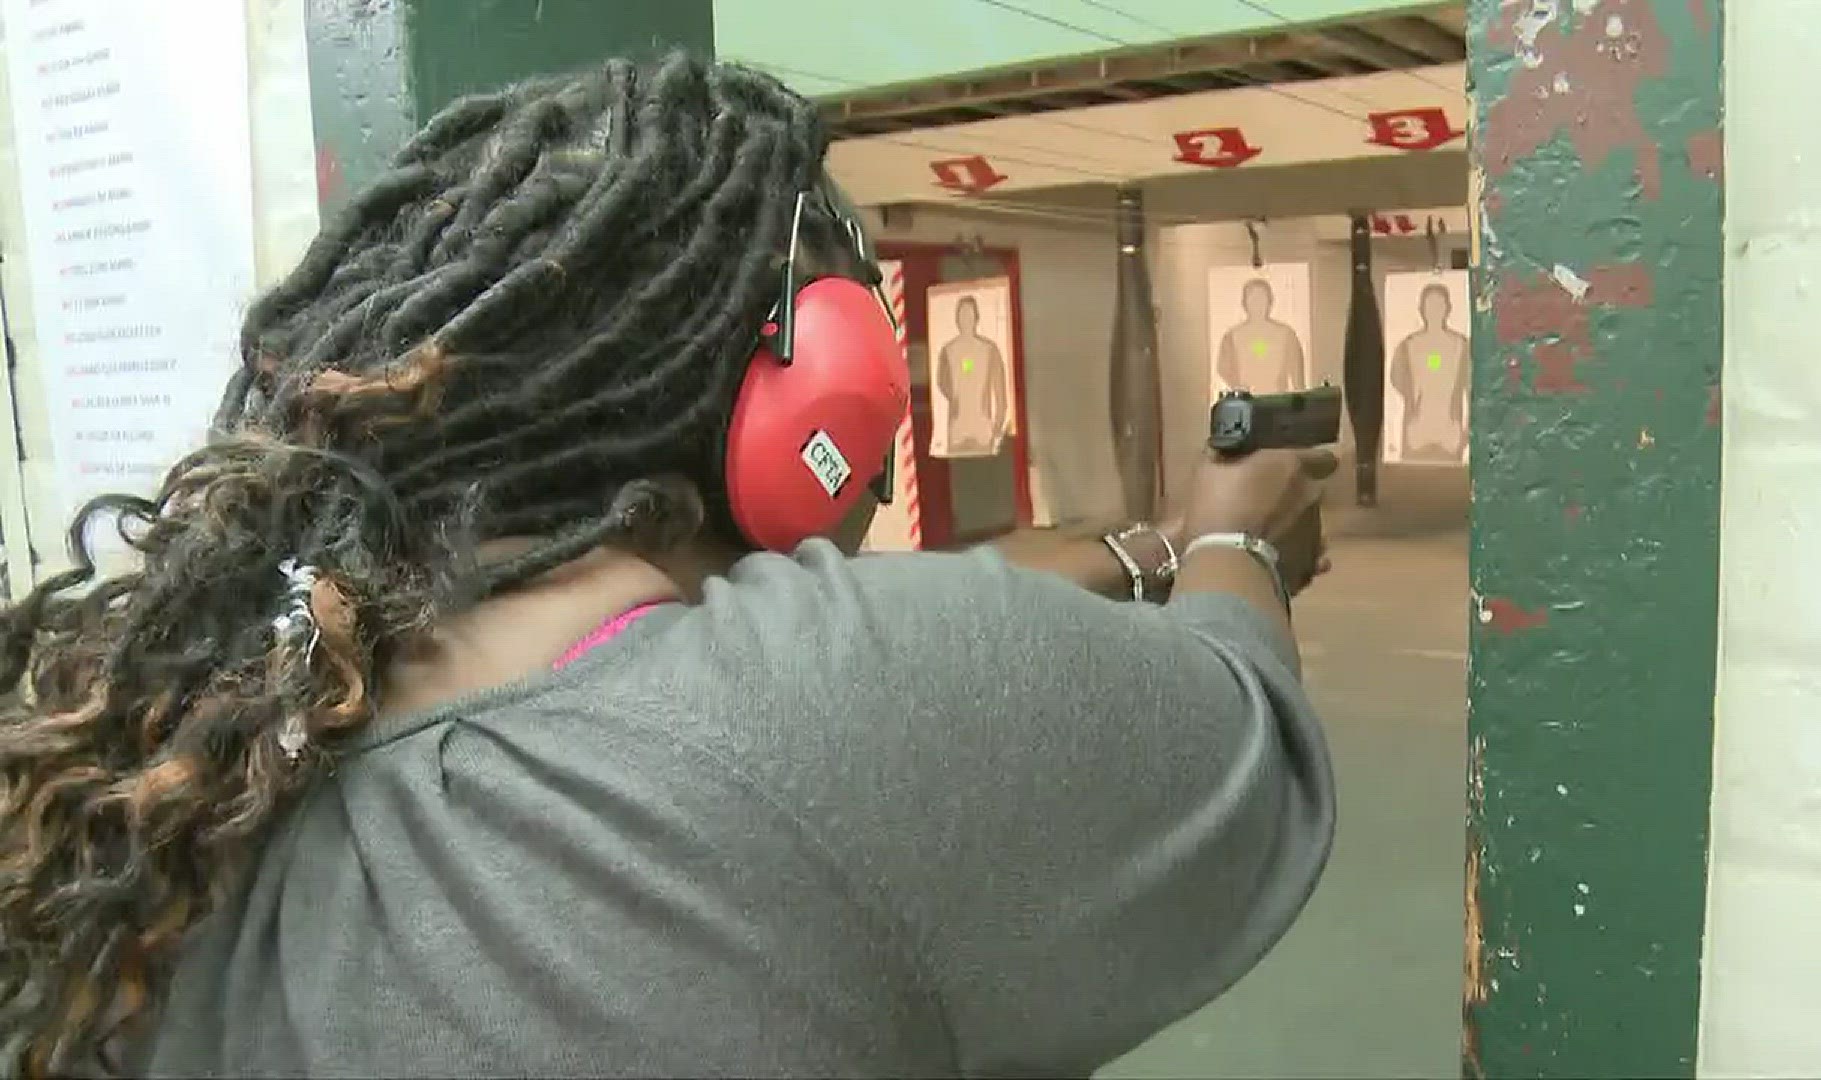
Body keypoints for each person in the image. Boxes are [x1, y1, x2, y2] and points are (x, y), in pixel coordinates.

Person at [0, 54, 1336, 1079]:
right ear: (816, 400)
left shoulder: (183, 763)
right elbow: (1243, 726)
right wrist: (1234, 540)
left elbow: (859, 641)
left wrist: (1131, 550)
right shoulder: (801, 713)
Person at [1388, 282, 1469, 463]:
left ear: (1448, 309)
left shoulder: (1461, 346)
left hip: (1450, 436)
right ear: (1421, 309)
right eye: (1429, 306)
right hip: (1416, 435)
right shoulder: (1407, 346)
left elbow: (1473, 392)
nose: (1434, 311)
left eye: (1439, 305)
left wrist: (1465, 434)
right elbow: (1397, 380)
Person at [933, 294, 1009, 456]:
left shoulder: (990, 350)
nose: (965, 319)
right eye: (962, 315)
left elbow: (1001, 393)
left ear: (976, 318)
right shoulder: (948, 351)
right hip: (957, 433)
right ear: (956, 319)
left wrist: (997, 428)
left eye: (969, 315)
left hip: (983, 433)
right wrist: (955, 398)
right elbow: (941, 381)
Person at [1215, 276, 1307, 395]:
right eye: (1253, 299)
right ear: (1244, 303)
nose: (1258, 304)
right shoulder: (1232, 336)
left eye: (1262, 299)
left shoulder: (1286, 334)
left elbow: (1297, 377)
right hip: (1247, 404)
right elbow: (1223, 368)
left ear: (1270, 302)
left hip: (1278, 402)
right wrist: (1238, 386)